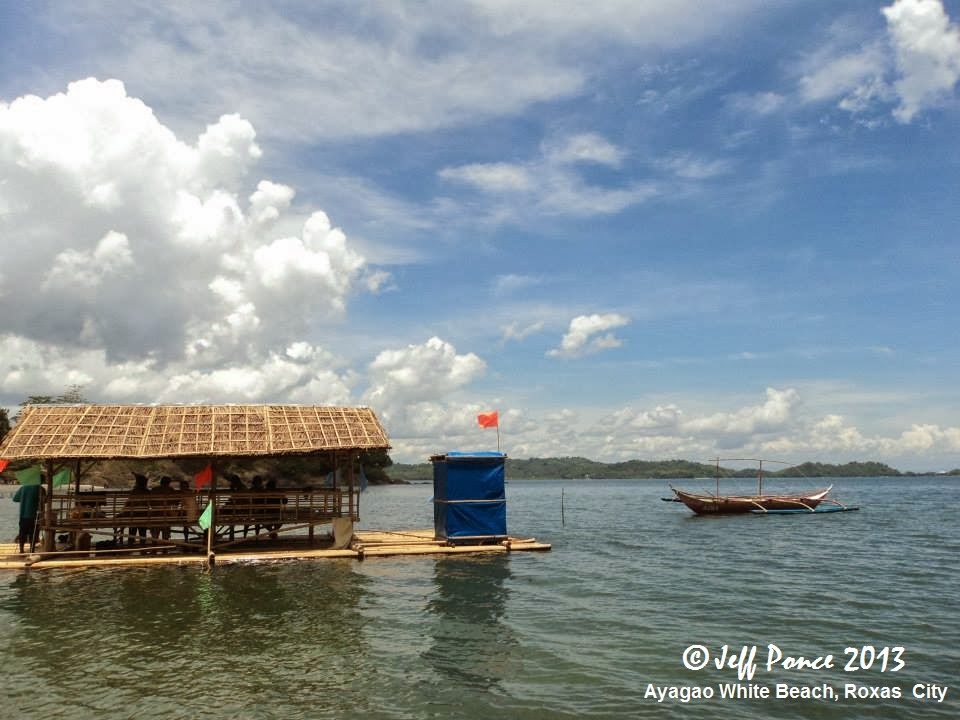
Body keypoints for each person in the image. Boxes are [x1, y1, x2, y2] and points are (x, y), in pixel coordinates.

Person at [12, 482, 43, 553]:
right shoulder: (40, 489)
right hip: (34, 515)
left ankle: (21, 550)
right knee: (33, 533)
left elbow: (15, 499)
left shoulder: (23, 488)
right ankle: (32, 551)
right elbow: (44, 500)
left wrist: (24, 498)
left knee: (22, 532)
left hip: (23, 515)